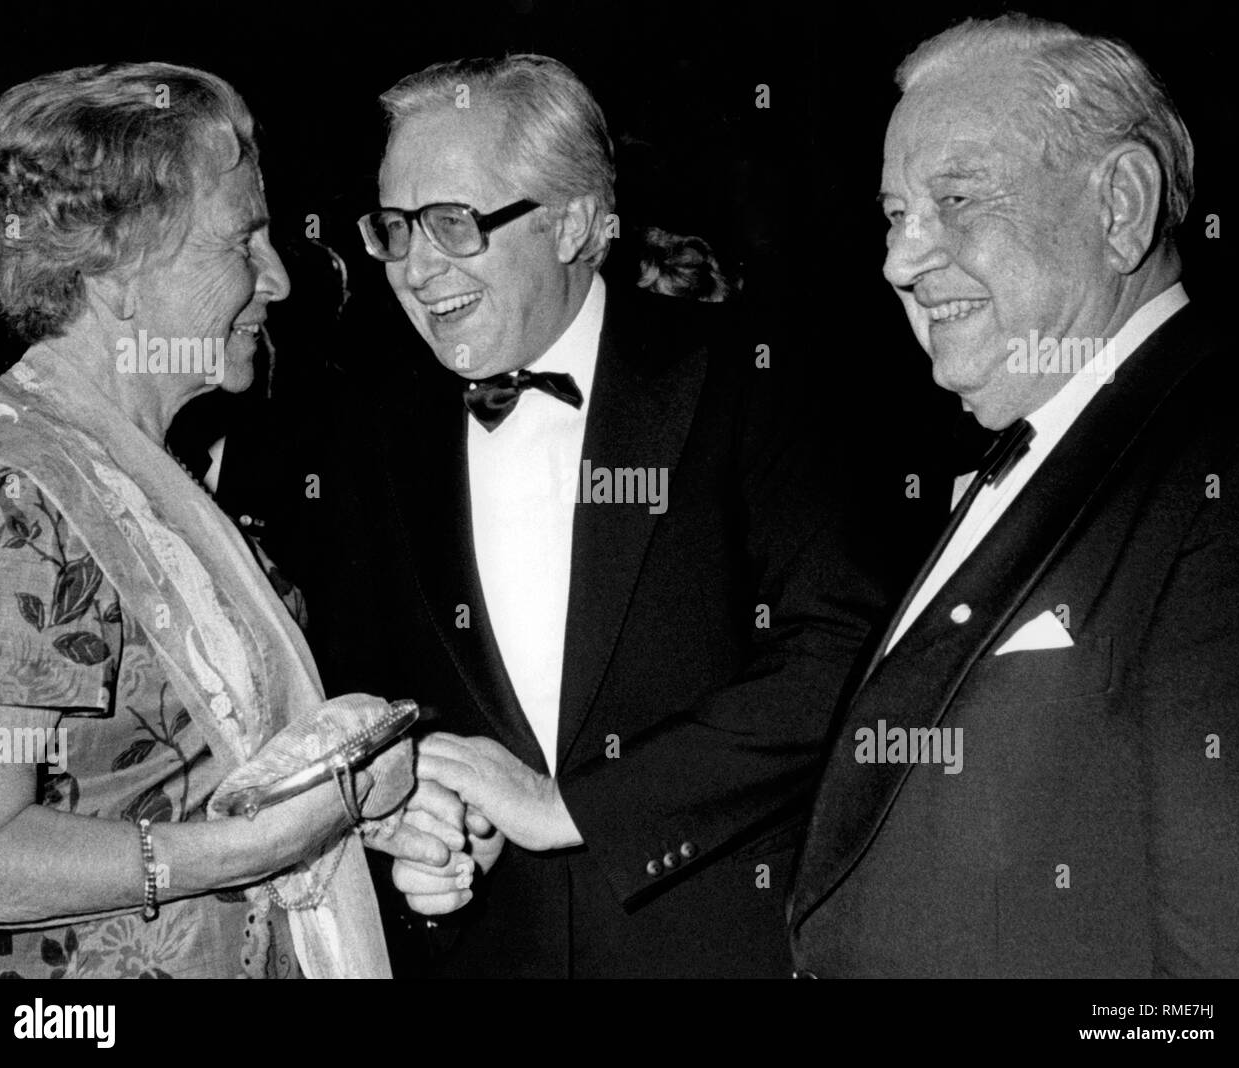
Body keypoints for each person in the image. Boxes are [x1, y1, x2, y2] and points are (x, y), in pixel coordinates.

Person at [293, 53, 882, 977]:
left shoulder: (752, 378)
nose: (414, 267)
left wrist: (573, 811)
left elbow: (839, 654)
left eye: (454, 223)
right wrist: (407, 821)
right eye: (395, 229)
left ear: (570, 224)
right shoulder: (361, 435)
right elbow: (355, 699)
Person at [789, 14, 1239, 977]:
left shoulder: (1232, 464)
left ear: (1121, 205)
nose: (898, 261)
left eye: (956, 198)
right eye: (893, 214)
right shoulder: (1046, 433)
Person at [0, 62, 436, 979]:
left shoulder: (149, 477)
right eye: (242, 239)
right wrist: (257, 850)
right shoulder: (16, 500)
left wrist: (360, 800)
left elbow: (179, 777)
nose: (277, 280)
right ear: (119, 271)